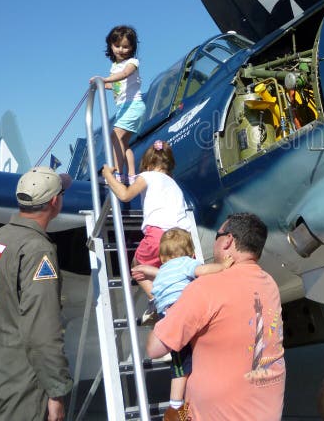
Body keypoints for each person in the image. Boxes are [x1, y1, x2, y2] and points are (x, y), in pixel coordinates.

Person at [146, 213, 285, 421]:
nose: (215, 242)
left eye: (217, 236)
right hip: (267, 414)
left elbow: (154, 348)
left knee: (173, 415)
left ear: (228, 240)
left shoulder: (206, 287)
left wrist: (166, 305)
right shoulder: (269, 284)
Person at [0, 167, 74, 421]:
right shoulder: (37, 250)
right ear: (54, 201)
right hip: (21, 386)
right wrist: (56, 391)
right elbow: (42, 329)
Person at [131, 228, 233, 419]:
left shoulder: (163, 272)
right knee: (190, 363)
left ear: (162, 257)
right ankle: (177, 409)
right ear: (191, 252)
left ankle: (176, 406)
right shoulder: (187, 263)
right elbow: (203, 270)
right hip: (182, 314)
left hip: (165, 316)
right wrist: (223, 266)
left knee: (179, 366)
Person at [102, 140, 192, 321]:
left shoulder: (147, 176)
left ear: (148, 164)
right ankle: (178, 300)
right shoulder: (174, 185)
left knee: (138, 267)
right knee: (176, 271)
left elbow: (125, 195)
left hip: (159, 235)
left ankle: (157, 301)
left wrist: (108, 176)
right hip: (183, 238)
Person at [91, 24, 145, 182]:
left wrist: (105, 79)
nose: (121, 50)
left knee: (115, 136)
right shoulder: (114, 66)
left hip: (133, 105)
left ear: (132, 48)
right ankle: (132, 175)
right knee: (123, 143)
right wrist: (101, 85)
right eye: (117, 46)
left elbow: (125, 74)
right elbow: (115, 85)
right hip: (123, 107)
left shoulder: (132, 63)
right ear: (111, 45)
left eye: (125, 47)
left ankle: (119, 174)